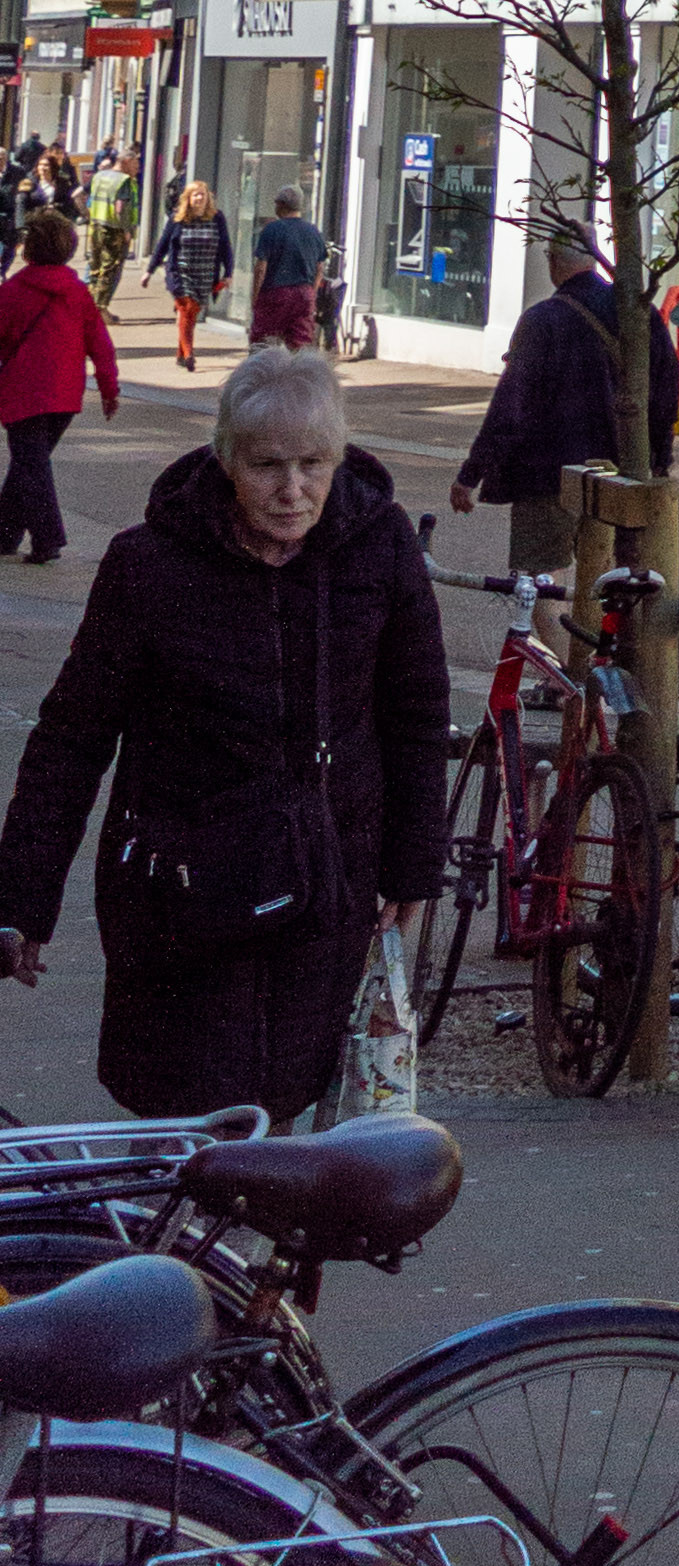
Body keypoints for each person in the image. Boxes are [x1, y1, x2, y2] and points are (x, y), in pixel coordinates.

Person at [0, 345, 449, 1117]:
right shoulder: (148, 565)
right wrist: (22, 898)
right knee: (188, 1104)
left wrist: (413, 868)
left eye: (313, 463)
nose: (293, 490)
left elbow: (415, 713)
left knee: (285, 1095)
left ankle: (248, 1233)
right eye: (269, 465)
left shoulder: (379, 545)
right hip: (180, 886)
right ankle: (191, 1236)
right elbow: (72, 735)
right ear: (227, 459)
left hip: (325, 873)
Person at [450, 228, 679, 584]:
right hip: (621, 469)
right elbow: (667, 389)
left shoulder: (543, 320)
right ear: (592, 259)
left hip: (547, 472)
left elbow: (511, 407)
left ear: (553, 262)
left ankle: (558, 644)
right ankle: (599, 640)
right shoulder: (640, 314)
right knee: (608, 577)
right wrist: (658, 459)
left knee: (538, 579)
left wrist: (471, 473)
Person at [0, 208, 124, 563]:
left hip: (22, 392)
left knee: (31, 464)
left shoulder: (12, 291)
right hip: (65, 395)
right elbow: (100, 344)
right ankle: (5, 533)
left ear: (28, 249)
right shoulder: (77, 292)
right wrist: (108, 389)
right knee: (28, 463)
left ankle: (47, 539)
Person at [158, 181, 233, 374]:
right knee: (187, 309)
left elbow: (225, 247)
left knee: (189, 315)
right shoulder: (178, 218)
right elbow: (163, 245)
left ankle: (181, 354)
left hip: (205, 274)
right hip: (181, 273)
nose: (199, 198)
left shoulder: (217, 218)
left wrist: (229, 273)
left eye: (203, 194)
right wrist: (150, 270)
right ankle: (190, 354)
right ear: (188, 198)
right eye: (195, 195)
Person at [245, 192, 329, 356]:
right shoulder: (313, 231)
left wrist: (255, 297)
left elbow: (261, 267)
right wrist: (312, 292)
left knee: (263, 343)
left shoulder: (272, 229)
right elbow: (320, 267)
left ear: (281, 205)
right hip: (304, 294)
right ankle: (299, 378)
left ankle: (261, 378)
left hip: (275, 293)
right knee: (300, 345)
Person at [82, 157, 136, 317]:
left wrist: (86, 215)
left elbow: (79, 195)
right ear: (125, 162)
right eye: (134, 164)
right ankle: (100, 309)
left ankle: (88, 307)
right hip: (114, 230)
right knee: (109, 269)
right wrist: (126, 230)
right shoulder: (123, 180)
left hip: (97, 226)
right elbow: (120, 207)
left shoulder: (99, 176)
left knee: (95, 267)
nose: (137, 168)